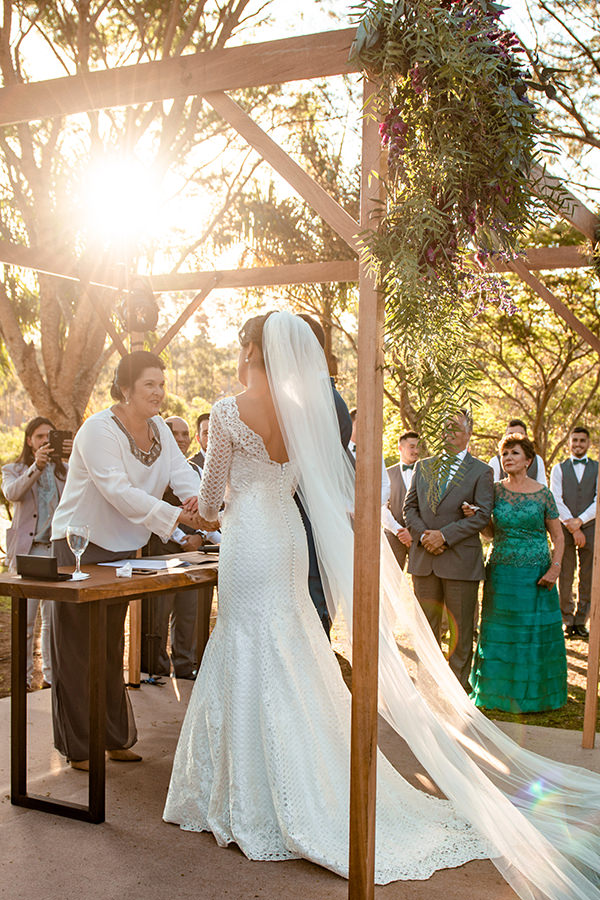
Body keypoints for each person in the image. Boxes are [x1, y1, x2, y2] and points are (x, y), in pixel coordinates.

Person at [164, 312, 600, 900]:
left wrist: (190, 510)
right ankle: (299, 778)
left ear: (250, 349)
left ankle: (251, 794)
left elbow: (214, 502)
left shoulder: (224, 412)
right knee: (289, 645)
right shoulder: (306, 413)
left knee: (247, 642)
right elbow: (306, 484)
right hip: (288, 539)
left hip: (248, 541)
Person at [50, 351, 200, 770]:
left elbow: (182, 474)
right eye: (150, 383)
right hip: (80, 544)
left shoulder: (158, 430)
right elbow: (117, 490)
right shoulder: (98, 430)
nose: (159, 392)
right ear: (126, 387)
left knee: (109, 644)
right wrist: (176, 516)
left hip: (122, 548)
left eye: (162, 384)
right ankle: (80, 747)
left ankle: (114, 737)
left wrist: (205, 508)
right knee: (78, 648)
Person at [469, 433, 567, 712]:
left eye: (513, 454)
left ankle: (535, 694)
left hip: (536, 575)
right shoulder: (495, 490)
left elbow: (558, 537)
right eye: (504, 454)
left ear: (528, 460)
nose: (508, 459)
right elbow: (490, 532)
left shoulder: (542, 493)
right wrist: (475, 518)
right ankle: (496, 693)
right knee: (500, 631)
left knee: (531, 633)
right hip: (501, 572)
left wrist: (555, 568)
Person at [404, 411, 494, 690]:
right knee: (426, 630)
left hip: (460, 561)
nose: (448, 432)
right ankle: (427, 688)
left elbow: (482, 515)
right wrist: (425, 537)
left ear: (469, 433)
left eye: (455, 427)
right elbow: (409, 508)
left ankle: (457, 691)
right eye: (444, 426)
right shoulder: (423, 466)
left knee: (461, 629)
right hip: (424, 559)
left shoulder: (482, 471)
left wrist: (444, 536)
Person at [295, 312, 352, 637]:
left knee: (314, 610)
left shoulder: (325, 400)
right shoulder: (307, 396)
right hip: (299, 522)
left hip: (311, 524)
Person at [2, 417, 69, 691]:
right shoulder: (14, 469)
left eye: (50, 436)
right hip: (27, 555)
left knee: (53, 624)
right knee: (25, 622)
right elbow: (11, 494)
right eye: (40, 436)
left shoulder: (66, 470)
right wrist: (37, 467)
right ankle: (23, 680)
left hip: (56, 553)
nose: (45, 441)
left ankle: (52, 680)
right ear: (29, 440)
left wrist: (71, 457)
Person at [140, 415, 202, 680]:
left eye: (185, 433)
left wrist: (198, 534)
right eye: (174, 433)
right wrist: (180, 537)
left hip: (193, 555)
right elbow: (151, 511)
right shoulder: (152, 470)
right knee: (157, 618)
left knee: (189, 616)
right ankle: (156, 672)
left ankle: (185, 670)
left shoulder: (194, 471)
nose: (180, 439)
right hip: (160, 553)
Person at [550, 425, 597, 639]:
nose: (578, 444)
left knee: (588, 575)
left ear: (588, 444)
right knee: (565, 574)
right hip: (564, 527)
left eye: (582, 441)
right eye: (574, 440)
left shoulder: (598, 468)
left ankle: (582, 620)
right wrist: (571, 524)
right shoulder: (559, 469)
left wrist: (580, 521)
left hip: (591, 526)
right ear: (569, 443)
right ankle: (567, 620)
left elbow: (598, 499)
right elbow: (555, 499)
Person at [381, 430, 419, 569]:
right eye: (412, 446)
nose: (416, 450)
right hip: (393, 534)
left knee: (422, 583)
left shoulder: (427, 474)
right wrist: (399, 531)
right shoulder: (386, 474)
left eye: (418, 446)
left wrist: (414, 532)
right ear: (400, 448)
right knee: (390, 585)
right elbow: (381, 507)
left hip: (419, 535)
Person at [349, 407, 391, 503]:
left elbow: (385, 485)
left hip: (371, 513)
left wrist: (372, 506)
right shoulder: (340, 450)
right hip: (344, 514)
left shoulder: (375, 452)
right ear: (350, 425)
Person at [488, 419, 547, 485]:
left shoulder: (537, 460)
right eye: (511, 434)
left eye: (519, 434)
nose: (514, 438)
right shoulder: (495, 461)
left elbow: (542, 484)